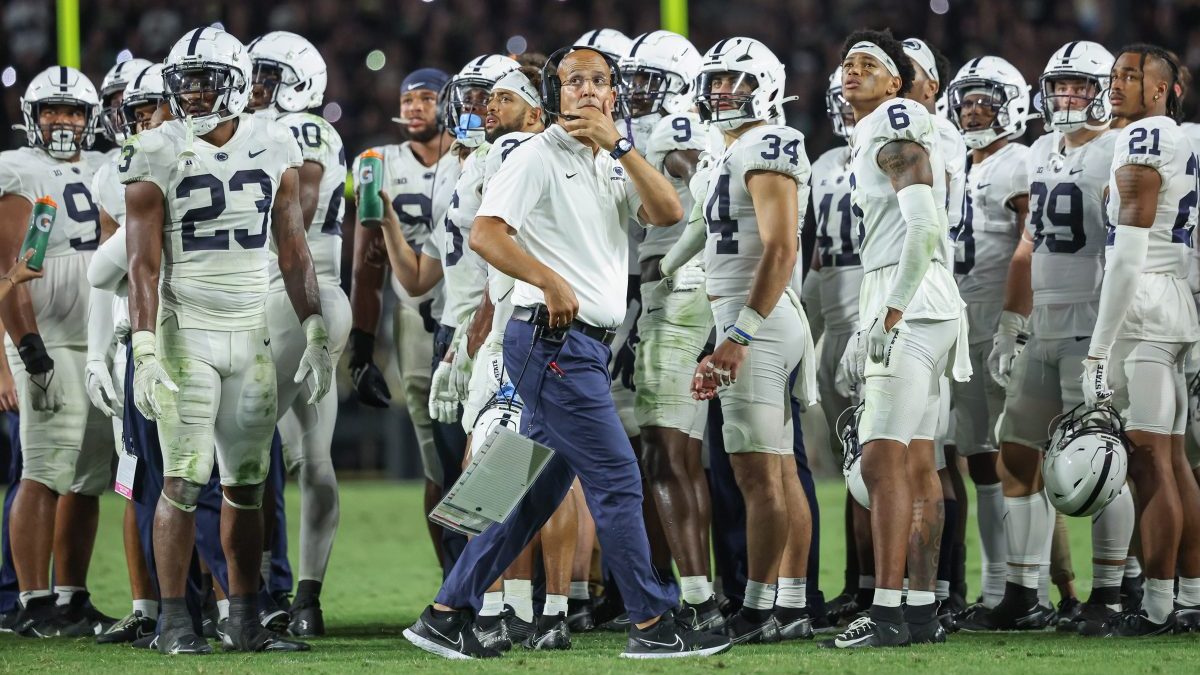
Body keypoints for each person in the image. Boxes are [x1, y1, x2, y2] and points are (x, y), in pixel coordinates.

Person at [402, 44, 730, 660]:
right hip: (552, 339)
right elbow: (486, 233)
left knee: (532, 490)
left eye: (599, 81)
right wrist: (549, 280)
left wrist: (622, 146)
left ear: (614, 95)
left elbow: (669, 210)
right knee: (615, 477)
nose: (585, 89)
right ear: (552, 97)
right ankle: (652, 623)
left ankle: (446, 614)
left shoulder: (609, 159)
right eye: (572, 81)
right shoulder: (534, 155)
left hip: (576, 344)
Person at [121, 26, 329, 654]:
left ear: (236, 82)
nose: (192, 93)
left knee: (246, 484)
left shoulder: (275, 140)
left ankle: (245, 618)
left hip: (252, 330)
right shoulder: (153, 147)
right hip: (187, 332)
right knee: (183, 481)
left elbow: (292, 247)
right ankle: (173, 621)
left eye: (206, 80)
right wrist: (144, 346)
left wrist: (315, 325)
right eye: (184, 82)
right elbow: (142, 265)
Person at [963, 41, 1135, 636]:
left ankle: (1111, 593)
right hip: (1042, 326)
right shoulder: (1039, 150)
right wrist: (1010, 325)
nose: (1066, 98)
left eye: (1078, 88)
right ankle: (1022, 591)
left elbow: (1128, 246)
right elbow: (1029, 245)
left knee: (1102, 459)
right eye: (1058, 87)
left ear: (1104, 93)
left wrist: (1112, 339)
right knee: (1016, 455)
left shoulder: (1118, 150)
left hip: (1093, 324)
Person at [829, 29, 966, 648]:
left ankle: (885, 612)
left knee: (880, 460)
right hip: (928, 302)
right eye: (847, 63)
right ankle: (918, 609)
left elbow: (924, 224)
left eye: (869, 64)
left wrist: (886, 313)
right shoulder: (879, 126)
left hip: (908, 300)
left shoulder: (893, 119)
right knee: (913, 461)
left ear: (896, 82)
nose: (851, 72)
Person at [686, 36, 815, 644]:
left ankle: (759, 608)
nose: (720, 92)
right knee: (779, 472)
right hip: (752, 318)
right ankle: (787, 604)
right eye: (715, 81)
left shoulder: (769, 140)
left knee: (756, 475)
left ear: (764, 85)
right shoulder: (728, 150)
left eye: (734, 81)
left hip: (755, 321)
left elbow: (782, 246)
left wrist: (737, 334)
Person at [1083, 43, 1200, 635]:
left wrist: (1099, 349)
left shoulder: (1143, 138)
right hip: (1173, 300)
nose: (1116, 85)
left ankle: (1158, 607)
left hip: (1143, 307)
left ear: (1160, 90)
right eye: (1114, 75)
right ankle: (1192, 597)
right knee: (1175, 461)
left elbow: (1127, 257)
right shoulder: (1189, 139)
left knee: (1151, 462)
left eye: (1130, 76)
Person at [0, 64, 117, 638]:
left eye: (73, 111)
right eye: (53, 110)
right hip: (47, 337)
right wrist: (27, 346)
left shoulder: (102, 167)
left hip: (97, 342)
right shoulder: (15, 168)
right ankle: (32, 601)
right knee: (43, 471)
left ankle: (73, 596)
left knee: (90, 478)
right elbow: (7, 269)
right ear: (33, 116)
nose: (64, 121)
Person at [247, 30, 352, 637]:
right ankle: (302, 600)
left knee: (244, 450)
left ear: (301, 80)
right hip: (303, 299)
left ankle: (254, 592)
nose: (256, 86)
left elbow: (300, 213)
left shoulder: (307, 129)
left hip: (296, 298)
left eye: (269, 75)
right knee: (309, 455)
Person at [619, 29, 718, 629]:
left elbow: (708, 189)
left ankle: (700, 603)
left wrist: (680, 258)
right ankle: (699, 595)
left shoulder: (673, 126)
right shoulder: (657, 128)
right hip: (671, 300)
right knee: (673, 455)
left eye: (647, 79)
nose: (635, 91)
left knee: (669, 456)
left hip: (678, 298)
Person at [349, 67, 460, 573]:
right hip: (418, 321)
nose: (414, 107)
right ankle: (451, 581)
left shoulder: (473, 156)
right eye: (407, 99)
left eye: (426, 98)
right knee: (436, 461)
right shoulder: (379, 164)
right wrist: (362, 345)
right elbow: (367, 262)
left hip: (473, 311)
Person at [942, 56, 1031, 614]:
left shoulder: (1019, 161)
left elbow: (1032, 242)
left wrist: (1013, 323)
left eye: (985, 101)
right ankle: (996, 587)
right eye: (968, 101)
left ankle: (1034, 586)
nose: (974, 111)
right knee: (977, 457)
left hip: (1005, 324)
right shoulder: (958, 163)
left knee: (1018, 458)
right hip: (963, 326)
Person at [87, 60, 162, 645]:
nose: (138, 120)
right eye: (129, 109)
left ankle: (226, 604)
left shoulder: (210, 159)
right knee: (132, 481)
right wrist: (97, 353)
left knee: (208, 484)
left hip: (197, 339)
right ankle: (147, 605)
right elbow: (103, 273)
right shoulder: (119, 172)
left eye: (147, 107)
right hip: (133, 343)